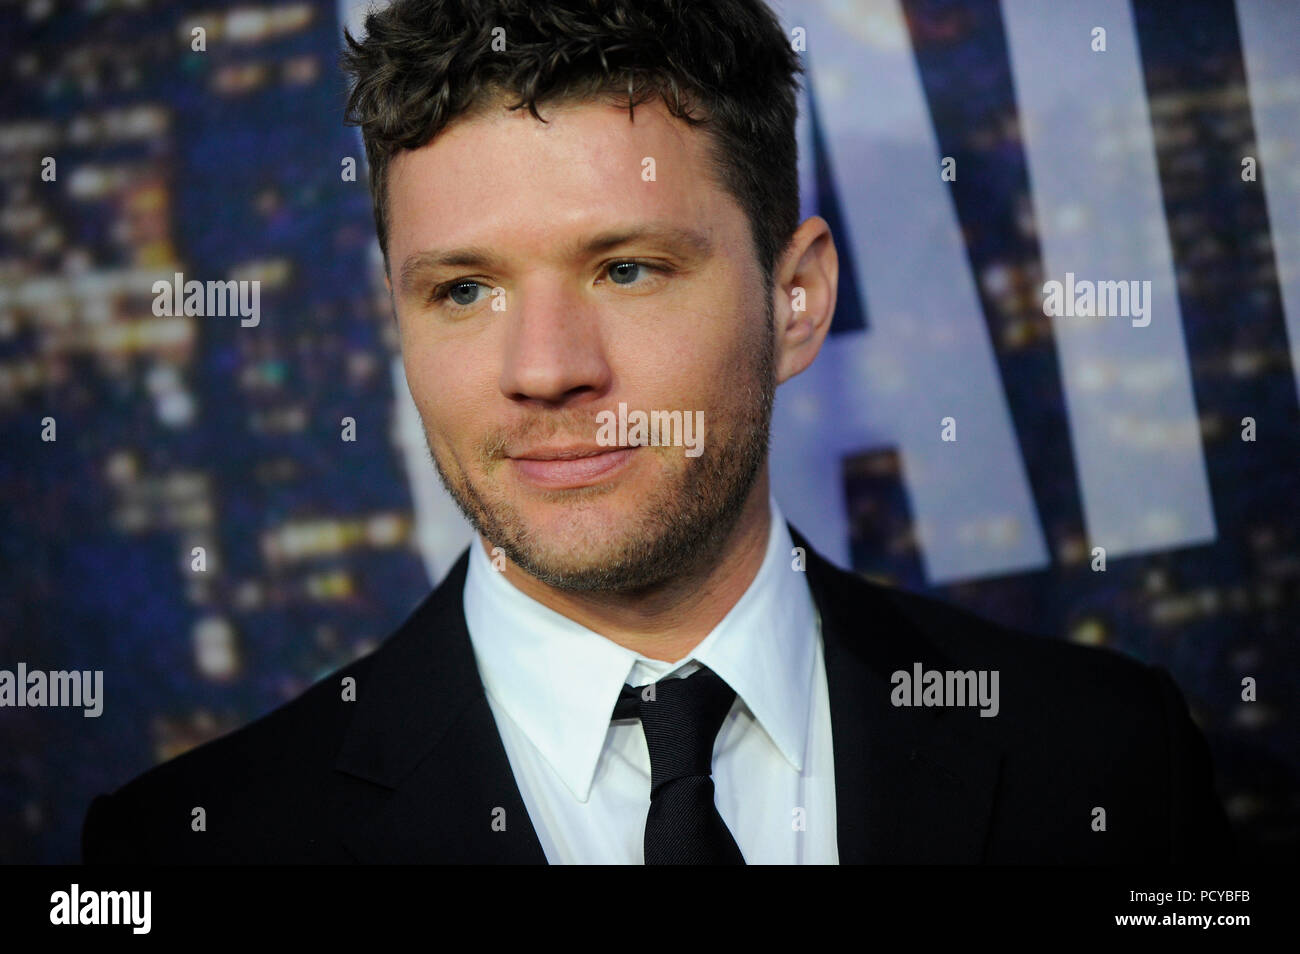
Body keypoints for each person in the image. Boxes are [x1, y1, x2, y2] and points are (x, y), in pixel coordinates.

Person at [81, 0, 1234, 864]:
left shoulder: (1104, 757)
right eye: (464, 292)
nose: (544, 371)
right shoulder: (194, 849)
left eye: (626, 269)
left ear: (796, 300)